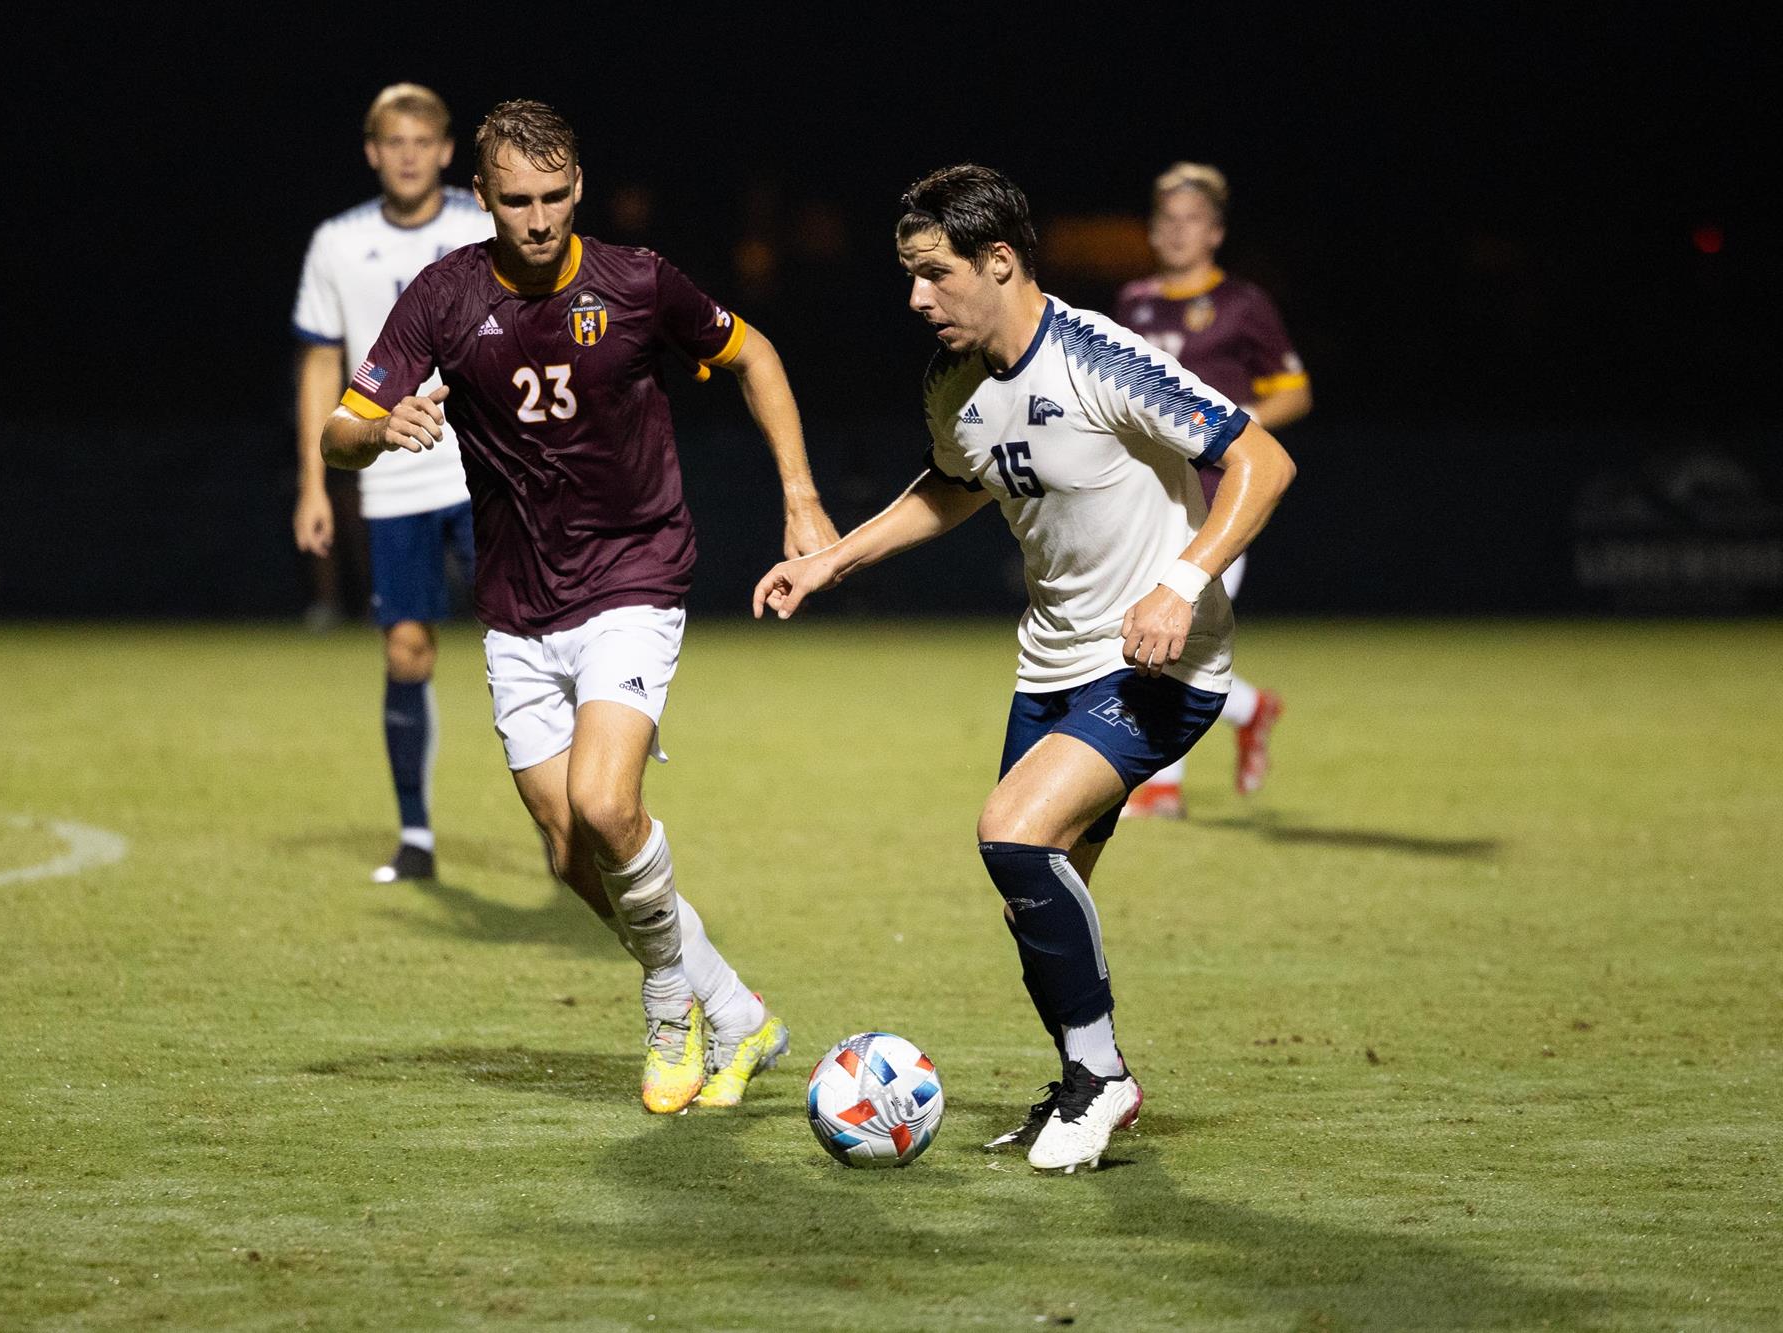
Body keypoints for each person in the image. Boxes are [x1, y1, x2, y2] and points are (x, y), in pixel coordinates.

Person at [751, 165, 1295, 1171]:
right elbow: (955, 481)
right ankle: (1080, 1082)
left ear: (998, 262)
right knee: (1038, 894)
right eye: (907, 274)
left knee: (1009, 832)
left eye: (932, 273)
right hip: (1048, 660)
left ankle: (1102, 1082)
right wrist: (831, 558)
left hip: (1158, 663)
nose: (914, 297)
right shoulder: (950, 379)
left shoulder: (1095, 355)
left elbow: (1261, 458)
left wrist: (1179, 582)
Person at [322, 100, 839, 1114]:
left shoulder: (636, 283)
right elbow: (340, 429)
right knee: (567, 853)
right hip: (516, 607)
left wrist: (803, 497)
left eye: (555, 197)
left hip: (632, 578)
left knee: (606, 806)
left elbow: (755, 357)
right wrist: (381, 434)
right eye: (515, 201)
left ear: (578, 187)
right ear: (482, 198)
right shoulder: (441, 296)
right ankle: (737, 1013)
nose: (537, 219)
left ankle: (663, 1004)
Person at [292, 83, 497, 882]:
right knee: (408, 649)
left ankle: (575, 814)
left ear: (446, 151)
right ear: (373, 151)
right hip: (391, 478)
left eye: (423, 141)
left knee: (535, 635)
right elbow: (319, 363)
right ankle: (415, 834)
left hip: (485, 463)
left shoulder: (481, 223)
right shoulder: (336, 243)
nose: (409, 154)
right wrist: (316, 486)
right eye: (393, 141)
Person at [1111, 162, 1311, 817]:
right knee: (1148, 636)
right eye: (1165, 220)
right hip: (1148, 498)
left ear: (1216, 232)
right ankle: (1252, 710)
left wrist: (1230, 429)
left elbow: (1294, 393)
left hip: (1225, 496)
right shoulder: (1134, 301)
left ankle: (1162, 787)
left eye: (1190, 220)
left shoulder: (1242, 304)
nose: (1175, 231)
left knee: (1181, 637)